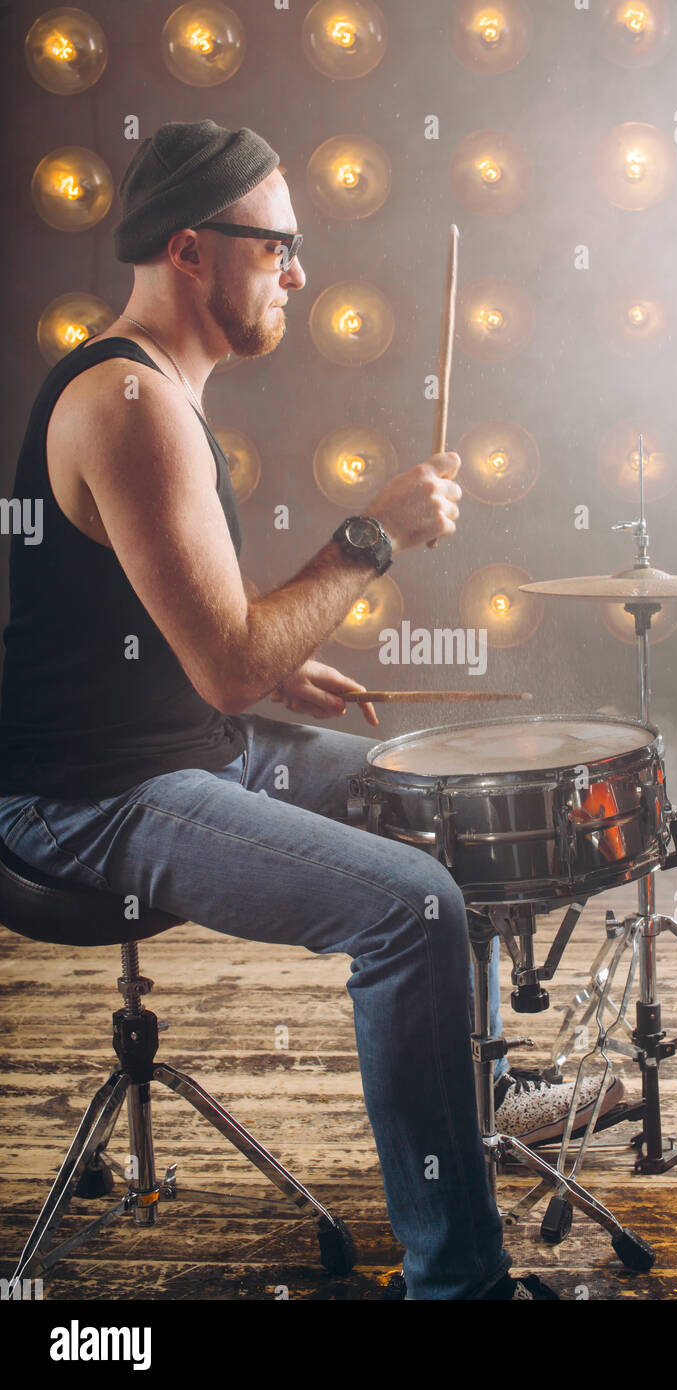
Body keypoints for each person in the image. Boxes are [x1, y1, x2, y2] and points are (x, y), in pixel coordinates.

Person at [0, 120, 616, 1298]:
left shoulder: (160, 385)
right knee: (412, 910)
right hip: (85, 799)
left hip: (188, 744)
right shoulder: (127, 398)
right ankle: (460, 1281)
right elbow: (224, 663)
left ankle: (477, 1096)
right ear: (192, 249)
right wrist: (369, 536)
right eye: (277, 247)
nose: (296, 273)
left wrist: (278, 672)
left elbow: (182, 628)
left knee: (440, 802)